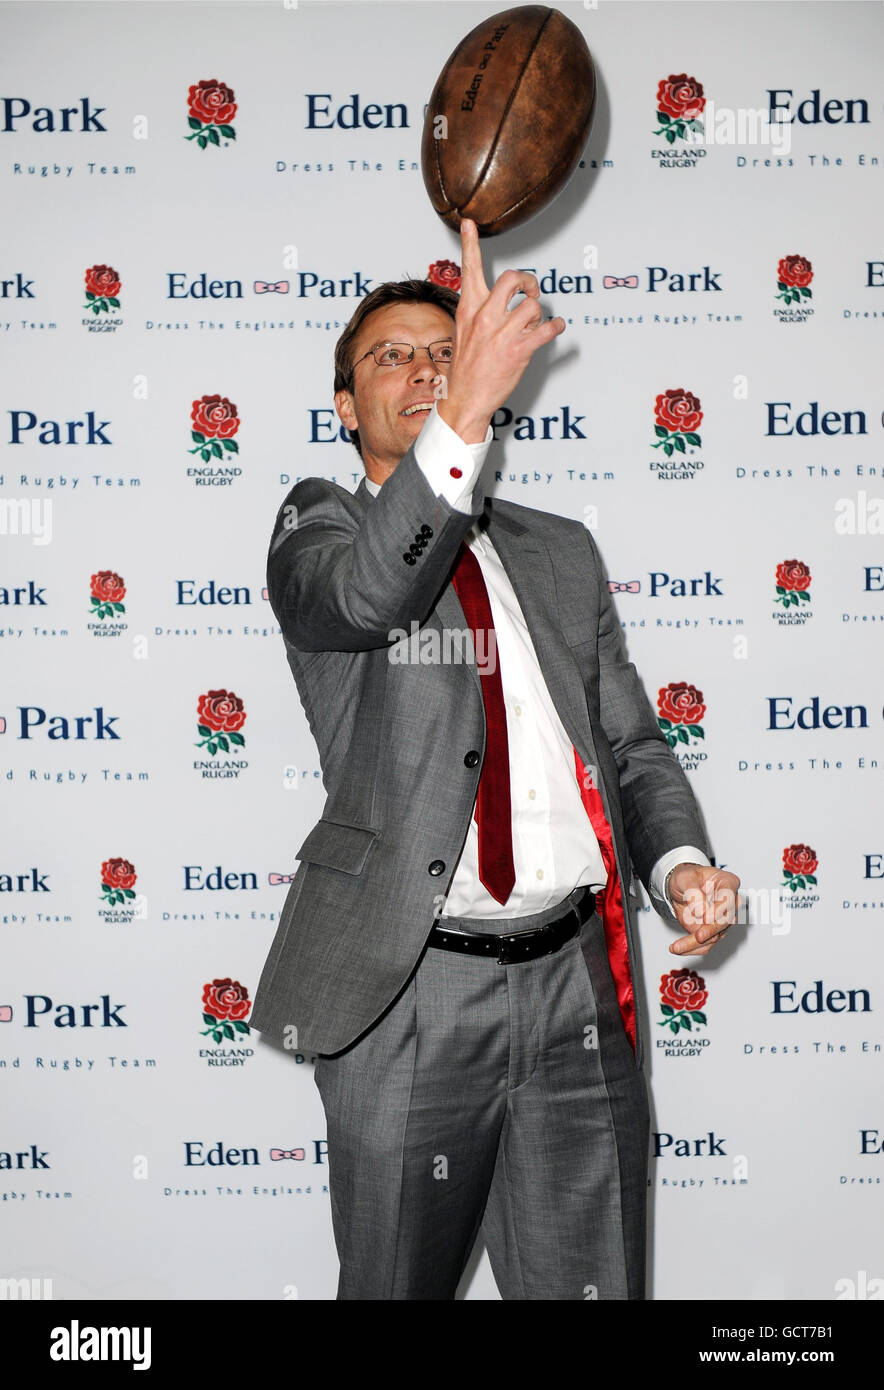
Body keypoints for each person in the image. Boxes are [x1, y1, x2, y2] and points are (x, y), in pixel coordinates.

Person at [250, 220, 740, 1300]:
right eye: (393, 357)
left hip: (575, 991)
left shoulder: (558, 549)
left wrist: (678, 867)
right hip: (412, 994)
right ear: (343, 409)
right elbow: (369, 596)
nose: (425, 368)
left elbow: (628, 742)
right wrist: (461, 408)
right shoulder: (317, 528)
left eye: (444, 351)